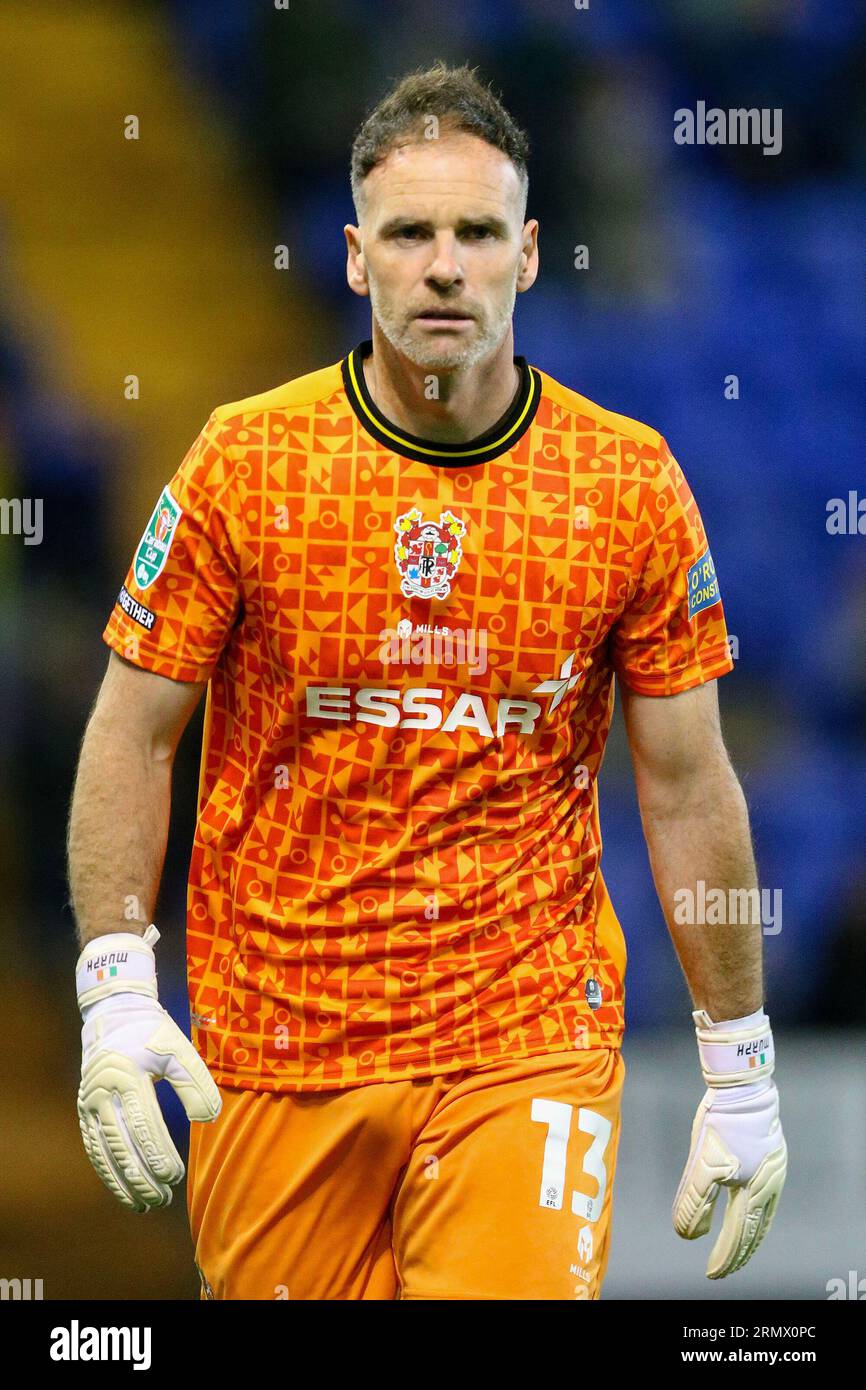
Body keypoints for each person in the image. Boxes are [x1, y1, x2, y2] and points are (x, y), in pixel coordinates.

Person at [67, 61, 786, 1301]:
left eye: (475, 232)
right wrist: (114, 987)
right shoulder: (247, 460)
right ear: (354, 258)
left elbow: (683, 783)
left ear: (528, 253)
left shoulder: (627, 485)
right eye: (408, 233)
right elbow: (132, 734)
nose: (443, 264)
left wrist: (740, 1058)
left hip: (525, 1036)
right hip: (280, 1037)